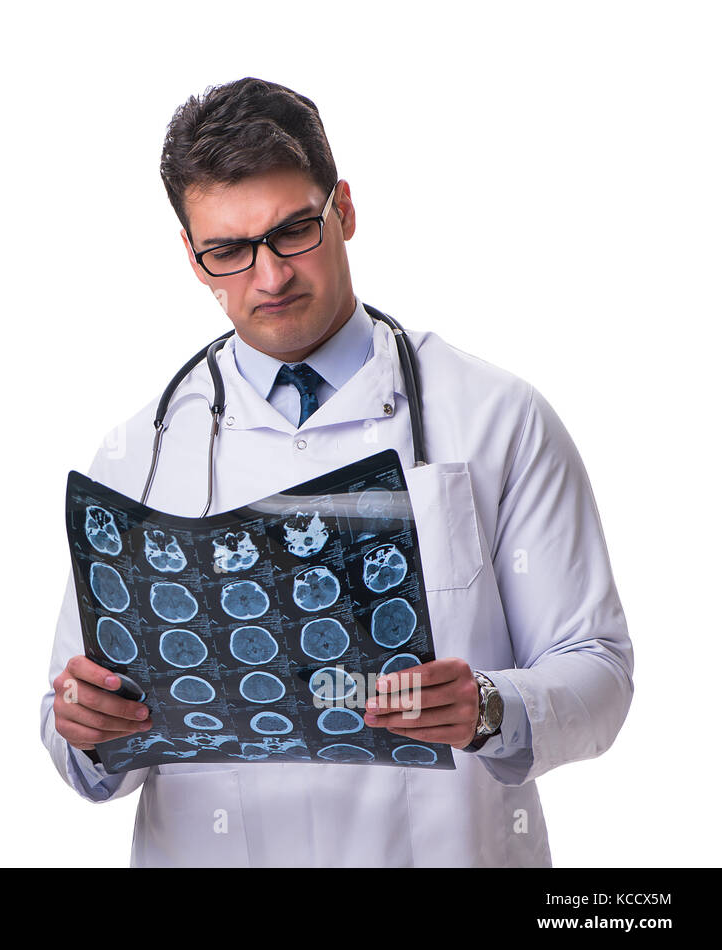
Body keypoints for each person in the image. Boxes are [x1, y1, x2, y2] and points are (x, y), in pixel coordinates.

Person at [38, 77, 634, 867]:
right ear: (191, 255)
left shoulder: (498, 417)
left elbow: (599, 669)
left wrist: (491, 707)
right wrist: (84, 728)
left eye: (293, 232)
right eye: (228, 250)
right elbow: (70, 722)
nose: (270, 276)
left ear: (343, 210)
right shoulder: (139, 455)